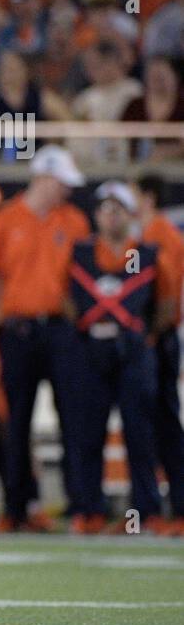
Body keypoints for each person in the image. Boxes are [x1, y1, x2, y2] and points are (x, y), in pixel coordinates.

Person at [64, 182, 178, 536]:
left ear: (130, 214)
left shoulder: (147, 253)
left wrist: (144, 334)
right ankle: (89, 510)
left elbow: (167, 303)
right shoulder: (80, 252)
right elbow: (64, 297)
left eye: (118, 209)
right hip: (92, 349)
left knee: (139, 433)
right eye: (105, 209)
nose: (110, 216)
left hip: (133, 350)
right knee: (87, 432)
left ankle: (144, 512)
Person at [0, 145, 90, 531]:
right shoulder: (5, 220)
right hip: (16, 331)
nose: (67, 191)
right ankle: (18, 508)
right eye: (62, 183)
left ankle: (81, 506)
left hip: (63, 331)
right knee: (16, 421)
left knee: (74, 418)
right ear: (45, 178)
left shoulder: (75, 221)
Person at [133, 173, 184, 533]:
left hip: (158, 338)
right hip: (149, 337)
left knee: (165, 421)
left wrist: (152, 333)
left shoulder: (162, 235)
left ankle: (179, 508)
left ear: (147, 197)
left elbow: (167, 295)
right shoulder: (149, 233)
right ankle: (154, 509)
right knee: (150, 422)